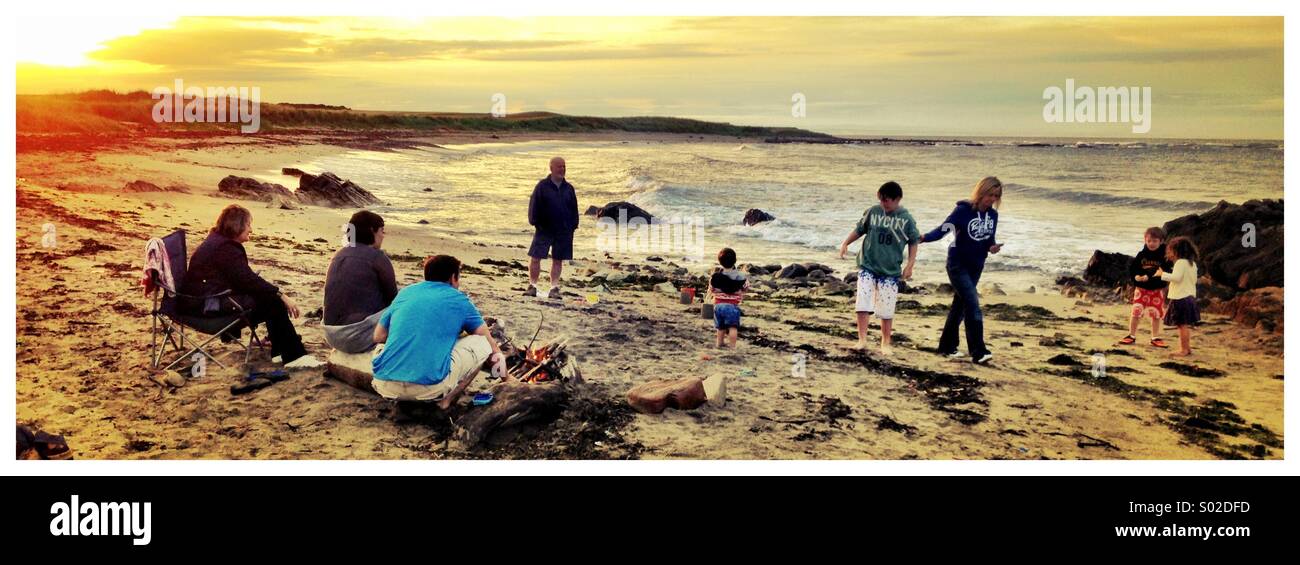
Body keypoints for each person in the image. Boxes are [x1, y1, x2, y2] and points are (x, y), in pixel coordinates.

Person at [181, 204, 314, 367]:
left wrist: (273, 292)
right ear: (237, 225)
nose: (251, 229)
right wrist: (281, 295)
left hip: (203, 298)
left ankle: (280, 351)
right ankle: (294, 357)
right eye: (248, 224)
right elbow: (247, 280)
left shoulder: (219, 241)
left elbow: (243, 278)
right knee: (272, 300)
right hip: (207, 306)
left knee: (268, 297)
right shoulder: (225, 248)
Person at [371, 255, 509, 410]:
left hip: (383, 385)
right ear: (453, 278)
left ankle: (402, 398)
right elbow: (492, 348)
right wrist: (507, 380)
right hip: (430, 388)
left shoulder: (406, 293)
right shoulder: (459, 300)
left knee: (381, 348)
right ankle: (444, 402)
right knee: (482, 343)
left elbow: (379, 336)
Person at [919, 176, 1004, 365]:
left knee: (959, 306)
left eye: (996, 196)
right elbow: (943, 229)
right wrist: (923, 237)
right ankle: (978, 351)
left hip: (977, 265)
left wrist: (992, 247)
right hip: (957, 265)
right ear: (981, 192)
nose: (992, 199)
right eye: (989, 194)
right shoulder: (962, 211)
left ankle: (946, 347)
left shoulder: (993, 216)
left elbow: (988, 239)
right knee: (972, 303)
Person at [838, 181, 920, 355]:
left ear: (897, 199)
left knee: (886, 308)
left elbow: (914, 242)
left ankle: (885, 343)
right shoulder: (873, 212)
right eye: (881, 200)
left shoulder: (906, 219)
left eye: (887, 200)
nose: (883, 203)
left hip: (890, 270)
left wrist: (910, 265)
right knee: (863, 302)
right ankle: (862, 340)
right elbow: (860, 230)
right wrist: (846, 243)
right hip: (868, 265)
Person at [322, 210, 398, 353]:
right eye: (382, 230)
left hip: (331, 334)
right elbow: (394, 300)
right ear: (372, 230)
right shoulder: (377, 257)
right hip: (357, 337)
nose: (383, 235)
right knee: (405, 304)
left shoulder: (339, 254)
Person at [525, 156, 579, 299]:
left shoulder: (569, 188)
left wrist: (573, 226)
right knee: (536, 257)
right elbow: (533, 206)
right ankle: (532, 286)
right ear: (551, 168)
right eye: (559, 166)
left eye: (564, 166)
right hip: (544, 229)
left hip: (564, 230)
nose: (562, 169)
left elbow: (574, 209)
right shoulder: (542, 186)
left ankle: (554, 288)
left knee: (558, 260)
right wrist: (535, 222)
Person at [1118, 227, 1173, 348]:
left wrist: (1150, 277)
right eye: (1149, 241)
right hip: (1141, 289)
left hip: (1157, 289)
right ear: (1145, 241)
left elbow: (1165, 271)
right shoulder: (1141, 255)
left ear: (1161, 241)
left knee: (1156, 314)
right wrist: (1136, 276)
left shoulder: (1164, 256)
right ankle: (1131, 335)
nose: (1151, 243)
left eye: (1154, 241)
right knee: (1136, 312)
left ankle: (1155, 337)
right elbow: (1133, 269)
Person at [1155, 236, 1200, 357]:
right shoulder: (1192, 264)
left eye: (1170, 250)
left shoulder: (1180, 263)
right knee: (1184, 324)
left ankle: (1184, 349)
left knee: (1182, 325)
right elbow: (1192, 280)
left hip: (1181, 298)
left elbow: (1176, 278)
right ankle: (1187, 348)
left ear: (1177, 251)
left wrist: (1162, 274)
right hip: (1189, 297)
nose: (1168, 253)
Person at [708, 247, 751, 349]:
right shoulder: (740, 276)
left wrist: (719, 291)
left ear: (720, 261)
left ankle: (719, 343)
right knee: (733, 327)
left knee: (720, 327)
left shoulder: (716, 276)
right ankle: (732, 346)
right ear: (735, 261)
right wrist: (739, 291)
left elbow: (712, 289)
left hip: (718, 305)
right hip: (732, 306)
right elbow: (746, 287)